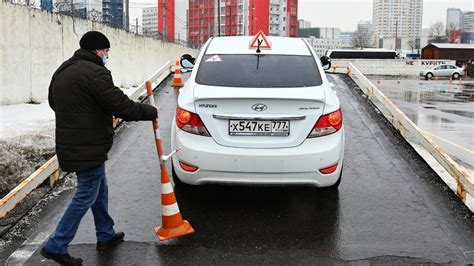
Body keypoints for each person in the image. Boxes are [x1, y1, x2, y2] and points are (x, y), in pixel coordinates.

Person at [40, 31, 157, 266]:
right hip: (88, 144)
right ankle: (57, 244)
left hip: (73, 142)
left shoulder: (64, 69)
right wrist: (149, 112)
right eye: (106, 51)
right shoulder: (95, 73)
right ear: (97, 50)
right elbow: (119, 104)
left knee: (99, 187)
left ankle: (105, 234)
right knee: (86, 193)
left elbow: (54, 102)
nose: (107, 56)